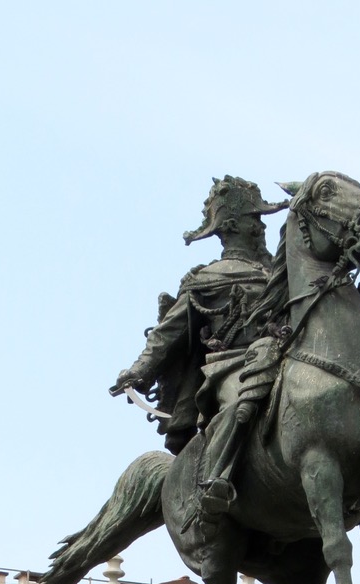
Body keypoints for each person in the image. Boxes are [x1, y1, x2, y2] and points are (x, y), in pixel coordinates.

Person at [110, 176, 286, 460]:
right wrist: (140, 370)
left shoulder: (278, 273)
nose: (262, 226)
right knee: (237, 406)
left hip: (280, 360)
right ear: (232, 226)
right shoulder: (207, 279)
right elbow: (168, 332)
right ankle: (216, 475)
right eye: (254, 218)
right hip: (232, 367)